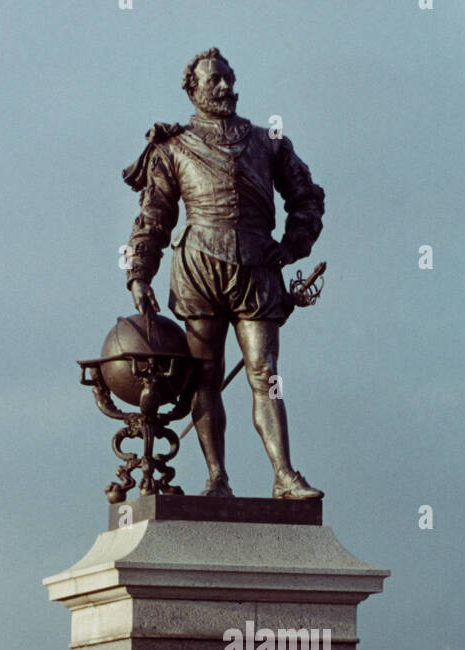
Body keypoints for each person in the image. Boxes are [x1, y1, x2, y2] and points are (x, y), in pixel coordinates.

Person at [123, 47, 325, 501]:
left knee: (265, 372)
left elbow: (306, 196)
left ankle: (284, 475)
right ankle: (217, 479)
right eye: (213, 79)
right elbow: (153, 218)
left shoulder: (268, 140)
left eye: (228, 78)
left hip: (257, 268)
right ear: (192, 88)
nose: (225, 86)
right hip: (198, 268)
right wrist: (140, 273)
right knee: (206, 378)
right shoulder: (173, 147)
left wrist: (293, 246)